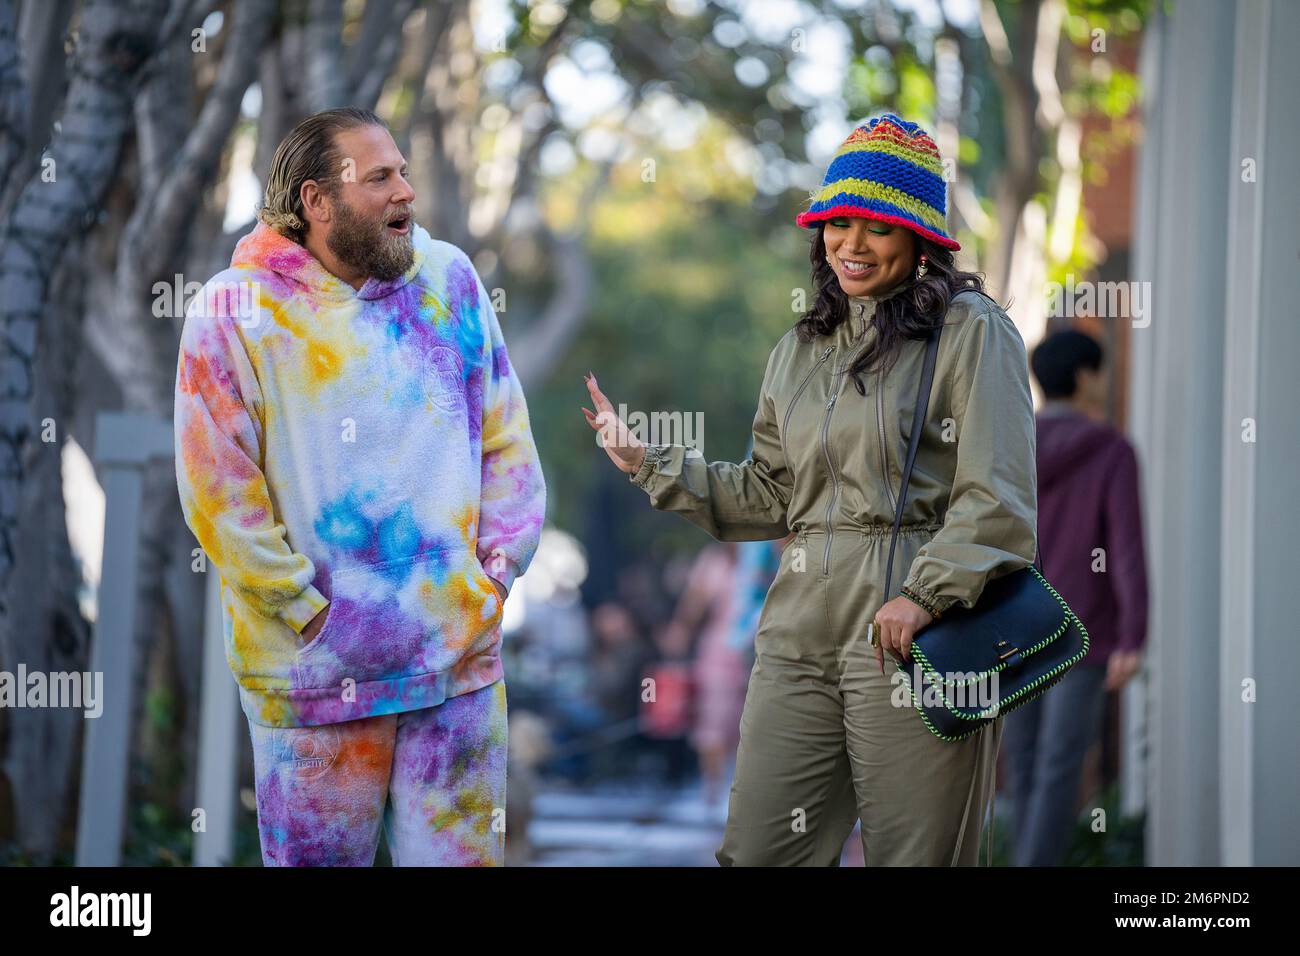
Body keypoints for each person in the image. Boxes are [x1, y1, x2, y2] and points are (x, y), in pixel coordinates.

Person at [582, 113, 1038, 866]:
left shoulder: (970, 331)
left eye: (877, 227)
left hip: (914, 632)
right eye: (837, 223)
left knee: (915, 858)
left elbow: (999, 496)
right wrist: (650, 463)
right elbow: (769, 495)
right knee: (760, 853)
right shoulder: (800, 349)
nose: (851, 244)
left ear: (920, 236)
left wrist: (926, 594)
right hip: (797, 630)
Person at [173, 108, 546, 866]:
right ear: (317, 201)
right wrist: (306, 615)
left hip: (456, 669)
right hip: (312, 679)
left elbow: (506, 440)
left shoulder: (451, 280)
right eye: (380, 177)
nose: (404, 190)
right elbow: (219, 495)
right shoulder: (232, 310)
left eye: (403, 171)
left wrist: (493, 580)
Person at [1001, 329, 1148, 866]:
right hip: (1081, 633)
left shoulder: (1011, 449)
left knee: (1023, 761)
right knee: (1061, 765)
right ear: (1085, 376)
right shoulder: (1112, 450)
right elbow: (1126, 548)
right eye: (1101, 371)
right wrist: (1134, 635)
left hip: (1014, 630)